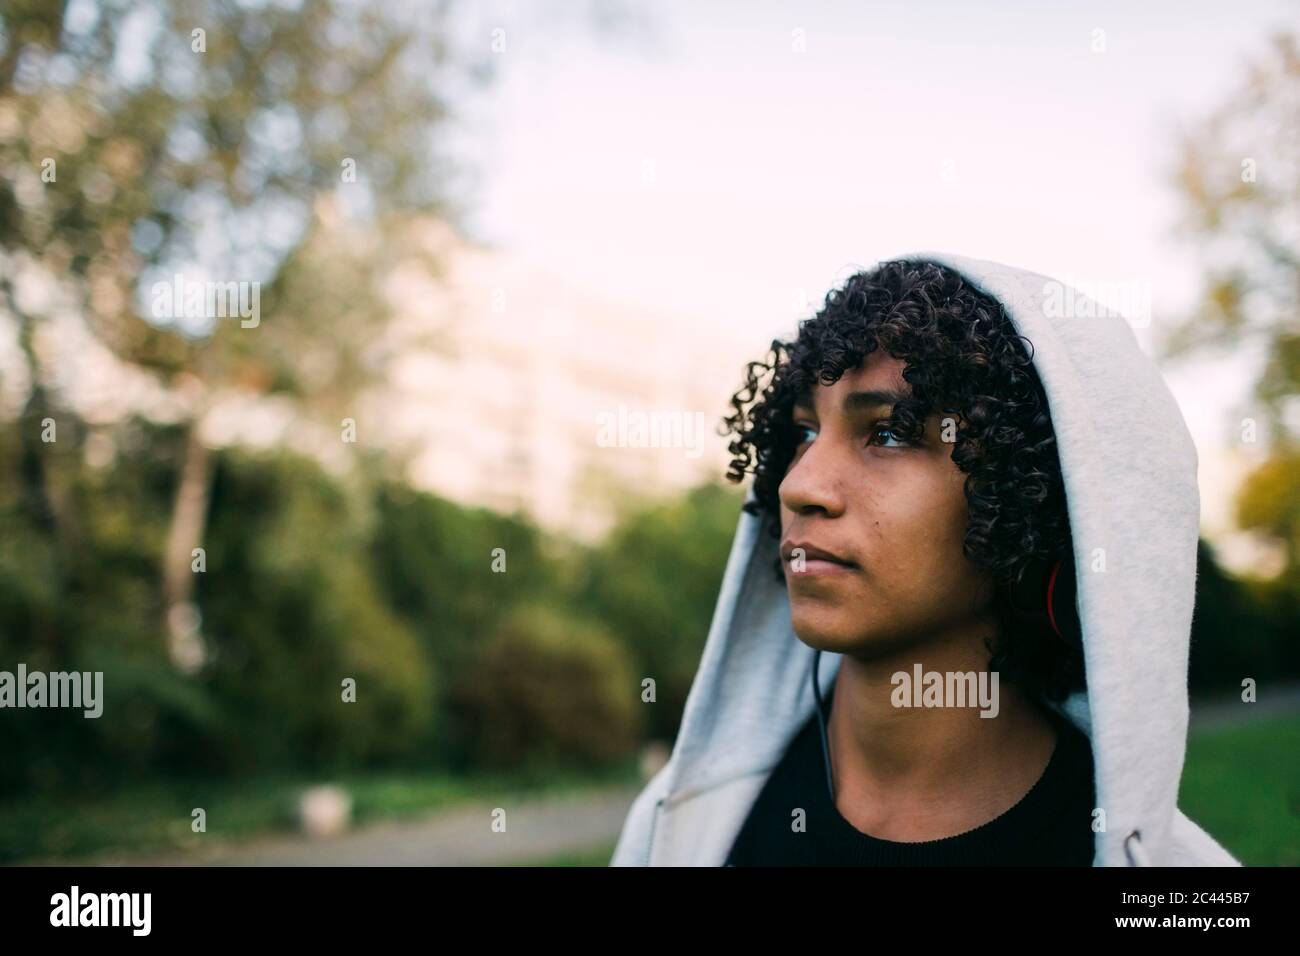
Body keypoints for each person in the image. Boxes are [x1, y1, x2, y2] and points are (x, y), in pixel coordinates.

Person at [610, 253, 1240, 867]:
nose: (799, 485)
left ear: (1027, 493)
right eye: (804, 432)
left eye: (888, 431)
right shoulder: (680, 831)